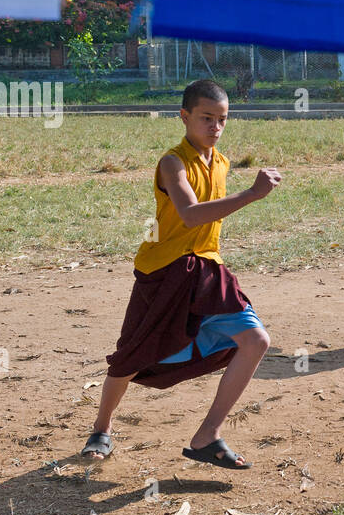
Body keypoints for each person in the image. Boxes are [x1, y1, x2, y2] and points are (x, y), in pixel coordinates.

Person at [83, 79, 282, 469]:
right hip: (163, 269)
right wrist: (251, 194)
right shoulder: (172, 162)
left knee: (256, 340)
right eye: (206, 118)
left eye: (222, 119)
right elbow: (190, 216)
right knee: (131, 357)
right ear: (184, 116)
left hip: (207, 267)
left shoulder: (221, 162)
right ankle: (102, 428)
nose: (215, 127)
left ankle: (207, 434)